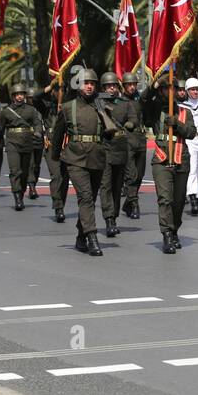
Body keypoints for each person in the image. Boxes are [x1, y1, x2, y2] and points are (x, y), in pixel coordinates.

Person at [49, 69, 116, 256]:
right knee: (85, 197)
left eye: (92, 83)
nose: (89, 86)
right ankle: (92, 237)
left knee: (91, 198)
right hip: (75, 157)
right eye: (86, 83)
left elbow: (110, 134)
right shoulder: (68, 107)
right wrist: (56, 157)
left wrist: (109, 122)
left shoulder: (101, 106)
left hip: (97, 156)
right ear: (79, 85)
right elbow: (58, 134)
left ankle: (80, 236)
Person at [143, 75, 197, 254]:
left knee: (179, 201)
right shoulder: (155, 110)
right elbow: (143, 100)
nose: (170, 92)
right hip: (162, 158)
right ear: (161, 91)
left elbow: (191, 133)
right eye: (166, 89)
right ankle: (166, 234)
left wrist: (178, 125)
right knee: (165, 199)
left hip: (181, 158)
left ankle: (174, 230)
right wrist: (155, 83)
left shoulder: (184, 112)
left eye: (173, 88)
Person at [96, 72, 137, 239]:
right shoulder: (97, 103)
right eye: (108, 86)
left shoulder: (124, 104)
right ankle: (109, 219)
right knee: (105, 186)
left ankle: (115, 215)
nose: (111, 88)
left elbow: (134, 120)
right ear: (104, 88)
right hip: (104, 148)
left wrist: (129, 124)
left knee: (117, 186)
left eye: (114, 85)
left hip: (120, 147)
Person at [0, 83, 44, 211]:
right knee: (15, 171)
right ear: (13, 96)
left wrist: (37, 132)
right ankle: (17, 197)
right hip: (12, 143)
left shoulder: (30, 110)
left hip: (27, 142)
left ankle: (23, 190)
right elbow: (0, 129)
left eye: (21, 94)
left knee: (25, 171)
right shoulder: (6, 112)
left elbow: (37, 123)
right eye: (17, 95)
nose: (19, 97)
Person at [34, 82, 71, 223]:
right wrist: (49, 86)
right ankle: (58, 207)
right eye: (57, 90)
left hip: (66, 145)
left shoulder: (69, 107)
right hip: (51, 144)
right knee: (56, 176)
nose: (60, 93)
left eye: (62, 90)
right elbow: (36, 98)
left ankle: (62, 203)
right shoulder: (47, 108)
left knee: (65, 178)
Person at [121, 70, 150, 219]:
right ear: (124, 86)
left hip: (140, 138)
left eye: (134, 84)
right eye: (129, 85)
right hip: (127, 140)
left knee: (140, 174)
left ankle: (128, 202)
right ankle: (134, 203)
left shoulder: (139, 100)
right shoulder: (119, 101)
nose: (132, 87)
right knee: (131, 174)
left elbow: (147, 95)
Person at [180, 78, 198, 216]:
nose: (195, 92)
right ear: (187, 91)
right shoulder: (183, 106)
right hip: (190, 141)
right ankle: (193, 201)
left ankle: (197, 198)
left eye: (197, 89)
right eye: (192, 89)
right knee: (192, 170)